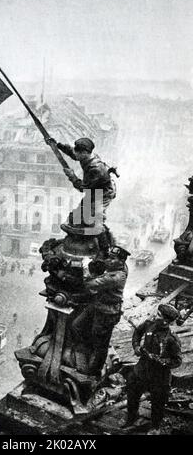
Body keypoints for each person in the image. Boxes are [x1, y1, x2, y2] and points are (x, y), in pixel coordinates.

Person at [71, 245, 130, 379]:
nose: (108, 260)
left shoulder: (116, 277)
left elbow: (89, 284)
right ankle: (86, 351)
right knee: (77, 325)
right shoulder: (118, 267)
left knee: (100, 344)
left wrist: (85, 267)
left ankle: (93, 371)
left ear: (121, 261)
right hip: (98, 304)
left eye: (112, 258)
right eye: (108, 257)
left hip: (107, 312)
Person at [123, 304, 182, 435]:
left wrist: (163, 361)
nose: (155, 316)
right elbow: (137, 332)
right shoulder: (150, 323)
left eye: (159, 315)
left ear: (166, 321)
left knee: (158, 402)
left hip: (159, 375)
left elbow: (177, 360)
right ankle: (131, 419)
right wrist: (136, 347)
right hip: (142, 369)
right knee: (132, 394)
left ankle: (155, 427)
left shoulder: (172, 339)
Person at [47, 137, 117, 227]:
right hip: (94, 188)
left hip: (104, 193)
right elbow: (72, 152)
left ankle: (99, 238)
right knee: (76, 218)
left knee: (91, 220)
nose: (75, 155)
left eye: (78, 153)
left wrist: (72, 175)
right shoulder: (86, 156)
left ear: (84, 153)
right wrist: (57, 145)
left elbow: (82, 188)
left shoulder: (95, 168)